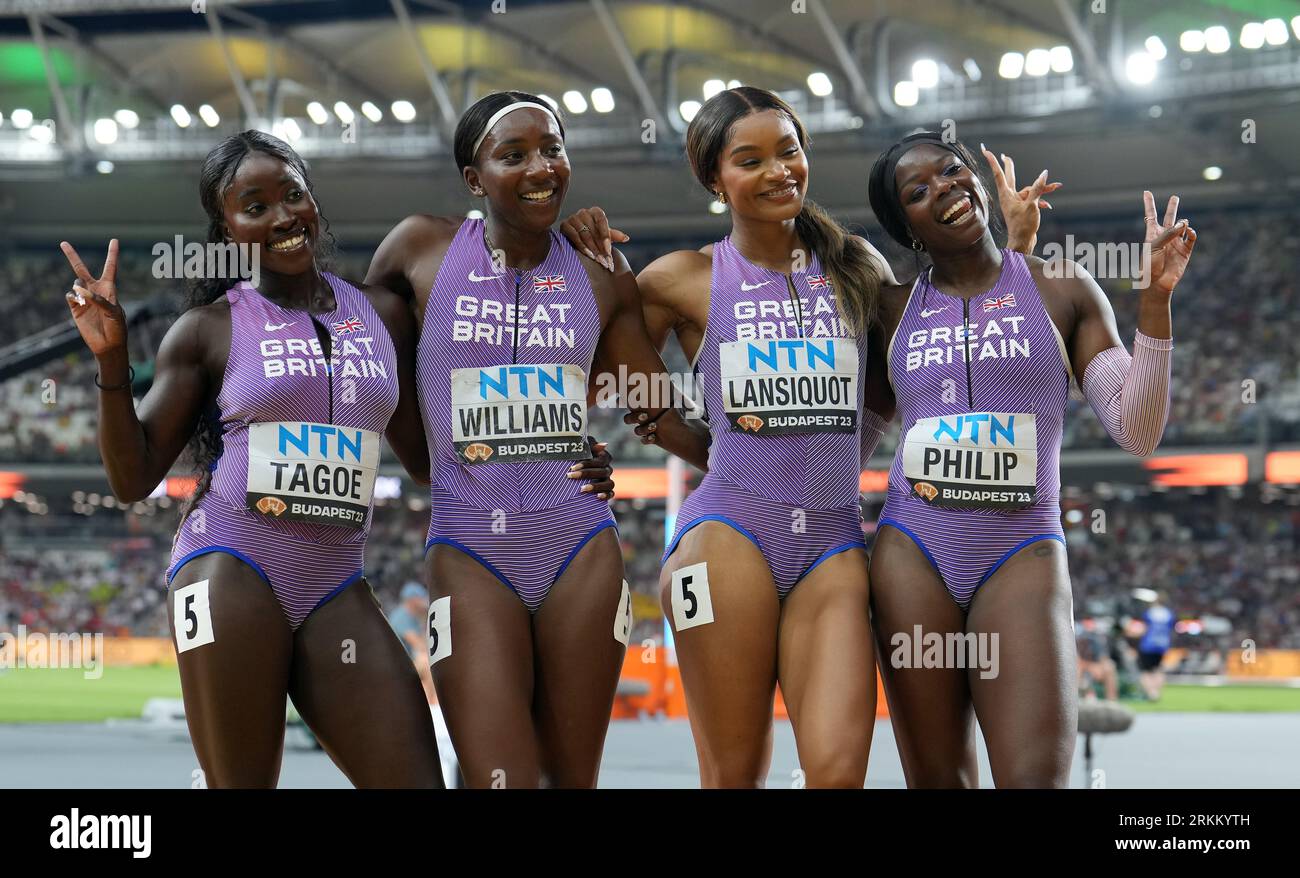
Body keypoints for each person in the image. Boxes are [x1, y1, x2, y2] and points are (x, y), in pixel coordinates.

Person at [560, 87, 1050, 788]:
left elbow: (939, 355)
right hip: (728, 534)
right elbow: (594, 376)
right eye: (750, 159)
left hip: (833, 542)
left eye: (788, 151)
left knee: (838, 775)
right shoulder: (683, 278)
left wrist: (1018, 249)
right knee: (735, 775)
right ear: (715, 179)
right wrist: (578, 256)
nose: (777, 170)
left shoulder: (858, 268)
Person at [61, 131, 444, 787]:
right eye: (255, 205)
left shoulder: (382, 314)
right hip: (230, 569)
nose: (282, 217)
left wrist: (554, 458)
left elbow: (426, 461)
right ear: (228, 227)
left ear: (312, 199)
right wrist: (110, 362)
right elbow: (132, 479)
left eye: (292, 195)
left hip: (336, 584)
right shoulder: (209, 329)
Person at [365, 91, 710, 788]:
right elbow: (370, 366)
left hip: (579, 544)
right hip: (468, 545)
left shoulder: (600, 270)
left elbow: (655, 409)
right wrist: (424, 462)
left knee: (567, 779)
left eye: (552, 149)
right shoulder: (418, 248)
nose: (540, 167)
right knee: (499, 777)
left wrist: (769, 453)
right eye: (513, 155)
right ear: (474, 177)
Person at [864, 130, 1196, 787]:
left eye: (953, 171)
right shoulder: (890, 311)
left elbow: (1137, 431)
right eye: (919, 192)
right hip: (911, 555)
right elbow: (845, 440)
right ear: (907, 227)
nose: (946, 189)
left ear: (979, 181)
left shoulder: (1061, 290)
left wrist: (1154, 306)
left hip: (1022, 554)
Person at [1137, 591, 1175, 700]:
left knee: (1145, 671)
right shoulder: (1168, 613)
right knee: (1158, 669)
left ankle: (1151, 693)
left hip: (1148, 644)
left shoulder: (1150, 613)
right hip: (1162, 645)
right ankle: (1157, 692)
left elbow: (1144, 628)